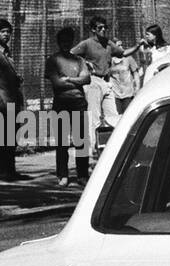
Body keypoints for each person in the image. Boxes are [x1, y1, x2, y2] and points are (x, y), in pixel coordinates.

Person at [72, 17, 140, 157]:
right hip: (93, 81)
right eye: (99, 28)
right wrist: (84, 63)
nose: (103, 30)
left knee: (113, 116)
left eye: (105, 27)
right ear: (93, 30)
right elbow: (71, 54)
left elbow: (123, 53)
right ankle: (91, 153)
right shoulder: (87, 44)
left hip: (107, 81)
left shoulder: (108, 44)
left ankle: (114, 151)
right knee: (94, 118)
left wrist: (138, 46)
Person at [45, 26, 92, 187]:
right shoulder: (53, 60)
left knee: (81, 140)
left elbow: (87, 79)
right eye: (62, 41)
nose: (65, 44)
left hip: (79, 102)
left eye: (68, 41)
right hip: (61, 103)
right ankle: (63, 175)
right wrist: (75, 79)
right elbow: (57, 83)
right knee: (61, 142)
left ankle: (82, 175)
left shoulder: (79, 60)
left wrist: (69, 79)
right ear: (58, 42)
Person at [0, 17, 24, 179]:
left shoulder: (8, 53)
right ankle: (2, 172)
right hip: (0, 101)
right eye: (2, 32)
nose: (6, 34)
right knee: (1, 137)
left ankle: (11, 170)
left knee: (12, 137)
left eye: (8, 32)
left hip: (12, 100)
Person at [135, 24, 170, 89]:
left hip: (162, 78)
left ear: (155, 35)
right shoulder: (147, 48)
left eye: (148, 34)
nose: (146, 36)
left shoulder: (168, 48)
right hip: (148, 78)